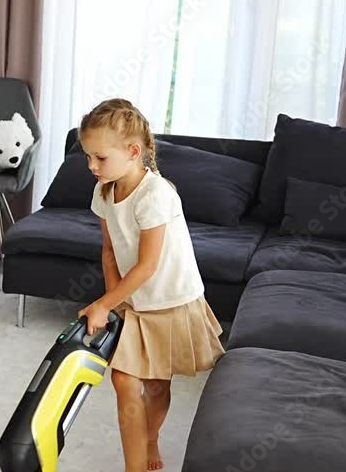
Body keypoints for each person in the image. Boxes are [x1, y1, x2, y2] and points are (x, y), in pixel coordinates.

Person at [75, 98, 225, 472]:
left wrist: (104, 304)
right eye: (88, 157)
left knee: (157, 388)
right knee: (125, 383)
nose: (92, 166)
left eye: (100, 158)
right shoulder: (104, 190)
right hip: (134, 303)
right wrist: (116, 306)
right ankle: (135, 466)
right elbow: (110, 253)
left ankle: (152, 437)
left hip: (170, 301)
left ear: (132, 151)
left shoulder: (155, 194)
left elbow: (148, 265)